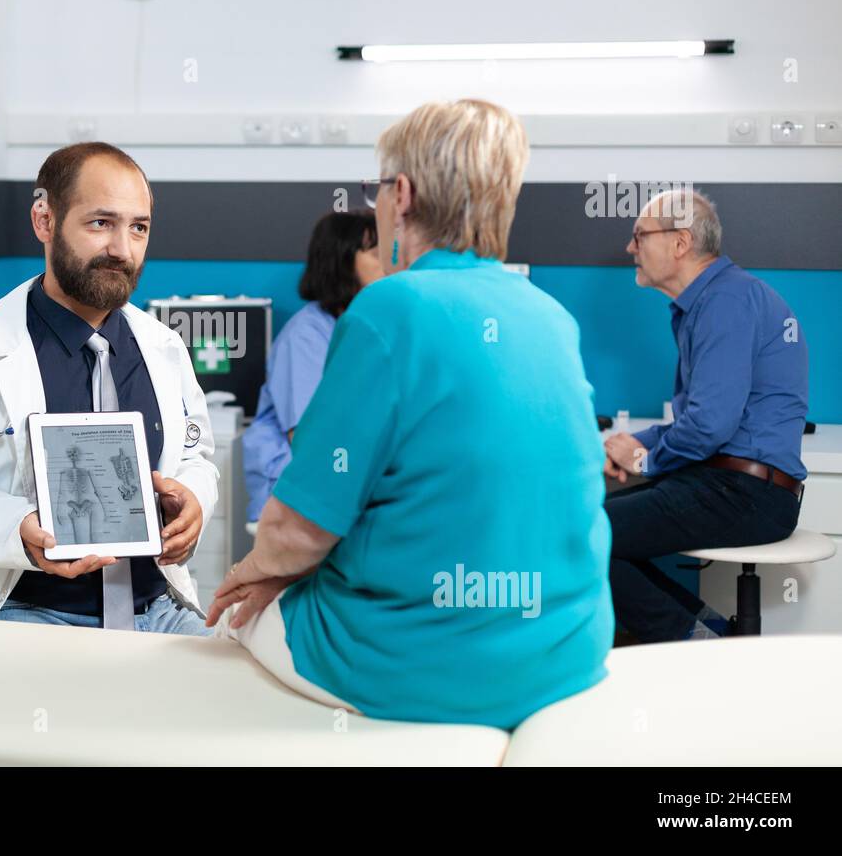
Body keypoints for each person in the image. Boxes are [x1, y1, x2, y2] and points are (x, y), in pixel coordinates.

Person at [206, 99, 613, 729]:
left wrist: (251, 575)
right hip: (565, 653)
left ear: (403, 193)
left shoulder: (387, 310)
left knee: (231, 623)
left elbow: (298, 533)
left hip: (423, 662)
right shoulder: (551, 317)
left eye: (376, 193)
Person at [0, 142, 218, 635]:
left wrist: (193, 500)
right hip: (22, 613)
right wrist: (16, 529)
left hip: (158, 610)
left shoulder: (163, 348)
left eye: (138, 227)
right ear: (45, 221)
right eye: (101, 223)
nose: (122, 249)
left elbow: (196, 457)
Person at [603, 190, 808, 642]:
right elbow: (698, 420)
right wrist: (640, 444)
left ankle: (699, 644)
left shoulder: (726, 303)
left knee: (584, 535)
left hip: (745, 493)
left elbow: (710, 426)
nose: (630, 248)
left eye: (639, 236)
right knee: (588, 522)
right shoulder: (714, 302)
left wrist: (644, 461)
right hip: (730, 484)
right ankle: (708, 634)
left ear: (679, 243)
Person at [243, 210, 382, 521]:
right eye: (377, 253)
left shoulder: (366, 328)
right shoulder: (306, 335)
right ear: (343, 261)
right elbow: (308, 438)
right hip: (297, 498)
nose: (391, 264)